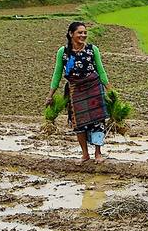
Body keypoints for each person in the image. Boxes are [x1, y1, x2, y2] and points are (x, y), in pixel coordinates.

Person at [47, 21, 114, 164]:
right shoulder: (63, 52)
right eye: (80, 33)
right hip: (75, 90)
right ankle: (85, 154)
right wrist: (50, 95)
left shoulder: (92, 49)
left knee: (98, 121)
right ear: (71, 34)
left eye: (85, 33)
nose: (83, 35)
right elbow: (57, 74)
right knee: (79, 124)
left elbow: (101, 71)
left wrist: (110, 91)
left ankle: (97, 153)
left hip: (94, 88)